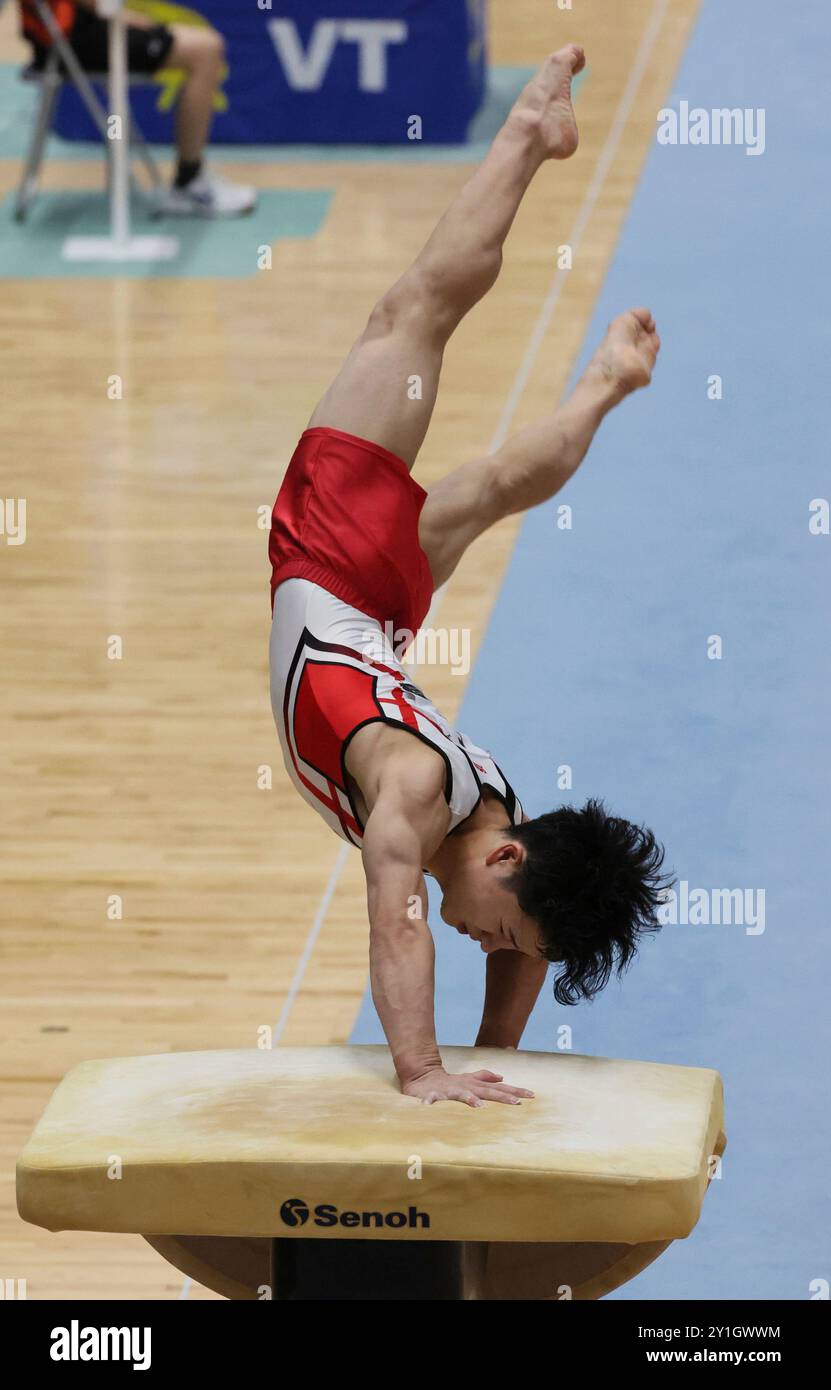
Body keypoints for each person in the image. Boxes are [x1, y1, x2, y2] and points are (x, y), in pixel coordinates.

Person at [268, 45, 670, 1108]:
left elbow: (527, 945)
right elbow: (397, 920)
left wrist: (506, 1052)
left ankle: (602, 386)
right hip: (334, 559)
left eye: (505, 940)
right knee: (414, 316)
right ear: (504, 863)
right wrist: (424, 1072)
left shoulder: (503, 814)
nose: (495, 946)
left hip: (377, 611)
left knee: (491, 484)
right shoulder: (410, 793)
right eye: (499, 929)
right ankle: (529, 135)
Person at [18, 0, 255, 215]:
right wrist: (114, 12)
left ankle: (190, 178)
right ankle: (190, 182)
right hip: (75, 37)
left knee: (205, 44)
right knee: (206, 50)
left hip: (68, 33)